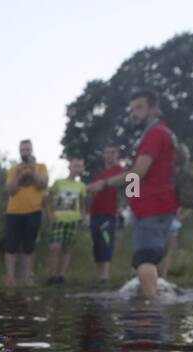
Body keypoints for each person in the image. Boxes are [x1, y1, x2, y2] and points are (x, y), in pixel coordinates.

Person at [85, 89, 176, 301]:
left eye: (139, 108)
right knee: (146, 258)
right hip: (150, 205)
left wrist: (104, 184)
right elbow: (141, 177)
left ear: (154, 108)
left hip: (153, 206)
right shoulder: (158, 134)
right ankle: (152, 304)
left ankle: (152, 311)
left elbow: (137, 173)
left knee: (144, 259)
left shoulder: (155, 134)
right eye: (132, 109)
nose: (133, 113)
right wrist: (132, 203)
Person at [3, 139, 49, 287]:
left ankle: (28, 277)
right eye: (23, 150)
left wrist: (33, 169)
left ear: (32, 150)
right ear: (19, 151)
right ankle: (10, 278)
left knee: (29, 247)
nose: (25, 152)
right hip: (14, 212)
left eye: (28, 150)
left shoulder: (41, 167)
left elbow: (43, 184)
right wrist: (19, 175)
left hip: (34, 211)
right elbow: (11, 190)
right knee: (11, 246)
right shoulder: (13, 169)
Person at [44, 158, 86, 284]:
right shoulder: (59, 183)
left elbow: (82, 204)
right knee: (55, 247)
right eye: (75, 166)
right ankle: (51, 275)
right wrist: (50, 215)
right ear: (69, 167)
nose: (77, 169)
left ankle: (61, 275)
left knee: (67, 249)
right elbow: (48, 200)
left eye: (80, 166)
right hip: (59, 219)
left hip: (73, 220)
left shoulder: (81, 186)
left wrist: (81, 217)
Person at [88, 144, 124, 284]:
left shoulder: (121, 171)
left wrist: (124, 206)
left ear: (117, 155)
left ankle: (105, 276)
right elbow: (93, 190)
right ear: (104, 155)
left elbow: (132, 188)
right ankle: (99, 275)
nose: (110, 155)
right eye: (107, 152)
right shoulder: (100, 174)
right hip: (95, 213)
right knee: (96, 243)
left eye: (112, 153)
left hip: (109, 213)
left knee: (106, 241)